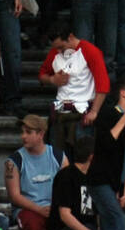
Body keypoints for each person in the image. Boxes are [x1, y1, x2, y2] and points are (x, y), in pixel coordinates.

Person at [37, 27, 109, 157]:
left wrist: (94, 111)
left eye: (61, 47)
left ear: (70, 37)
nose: (59, 51)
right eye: (56, 48)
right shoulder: (55, 53)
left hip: (83, 113)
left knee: (82, 158)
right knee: (57, 159)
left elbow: (103, 84)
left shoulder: (89, 51)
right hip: (60, 112)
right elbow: (42, 74)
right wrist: (53, 79)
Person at [86, 75, 125, 230]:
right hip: (100, 179)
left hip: (116, 183)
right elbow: (105, 143)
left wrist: (124, 191)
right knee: (118, 224)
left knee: (110, 225)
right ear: (124, 93)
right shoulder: (108, 113)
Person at [4, 113, 64, 230]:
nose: (23, 136)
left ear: (41, 134)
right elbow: (14, 196)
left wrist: (54, 208)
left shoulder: (58, 157)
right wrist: (39, 209)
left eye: (28, 132)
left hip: (54, 208)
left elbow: (68, 188)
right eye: (22, 132)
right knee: (34, 227)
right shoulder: (14, 161)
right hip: (28, 209)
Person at [48, 135, 97, 230]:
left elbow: (89, 212)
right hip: (65, 229)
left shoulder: (93, 176)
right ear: (91, 157)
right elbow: (65, 215)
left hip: (87, 226)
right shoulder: (66, 176)